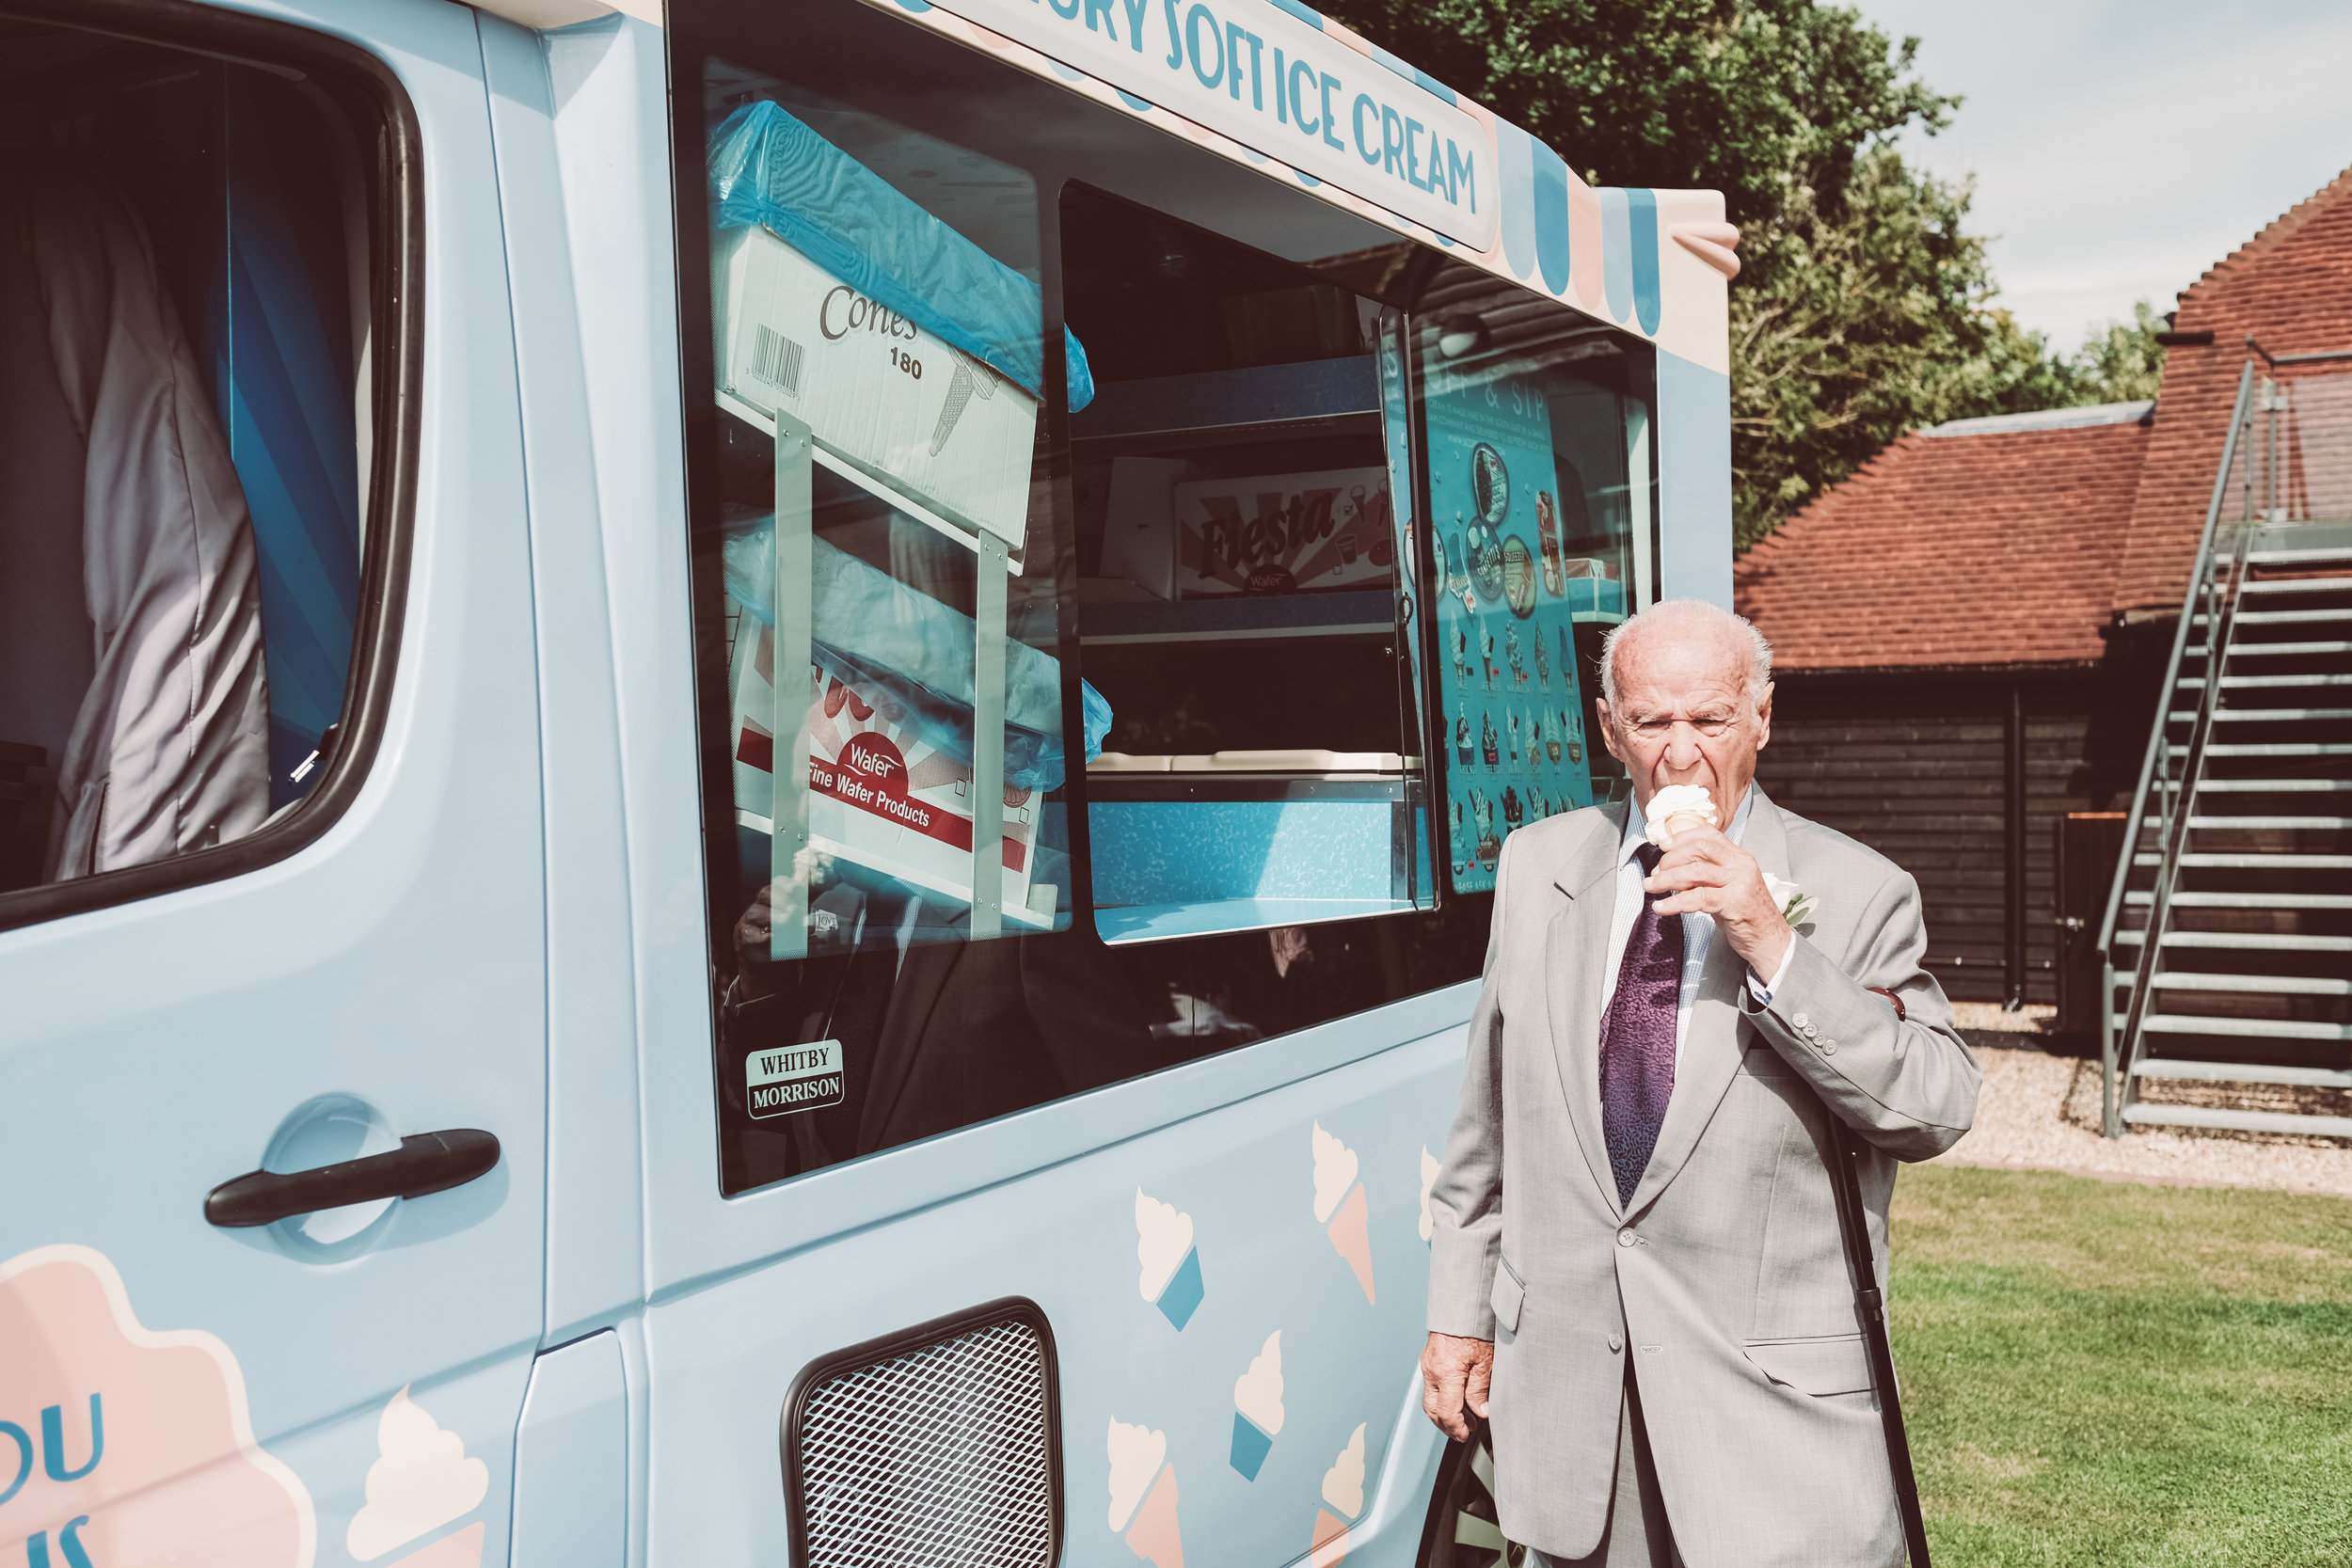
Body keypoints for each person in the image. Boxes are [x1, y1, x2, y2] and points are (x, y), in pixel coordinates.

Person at [1420, 598, 1979, 1567]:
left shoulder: (1858, 889)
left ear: (1761, 715)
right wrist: (1459, 1313)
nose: (1680, 754)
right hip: (1571, 1417)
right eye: (1651, 721)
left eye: (1710, 719)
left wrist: (1772, 941)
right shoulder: (1536, 866)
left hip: (1772, 1431)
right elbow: (1488, 1123)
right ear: (1609, 728)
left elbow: (1934, 1104)